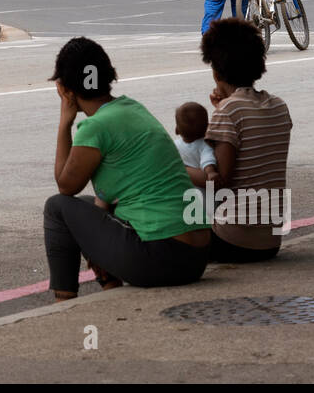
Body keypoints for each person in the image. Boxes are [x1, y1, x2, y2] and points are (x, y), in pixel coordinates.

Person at [43, 37, 210, 301]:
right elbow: (104, 203)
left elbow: (66, 185)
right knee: (90, 208)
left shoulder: (96, 127)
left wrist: (65, 123)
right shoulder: (133, 108)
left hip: (160, 258)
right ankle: (110, 287)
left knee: (57, 207)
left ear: (64, 88)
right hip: (197, 257)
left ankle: (64, 301)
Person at [200, 19, 292, 262]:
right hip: (270, 241)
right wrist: (223, 109)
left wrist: (174, 169)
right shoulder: (279, 106)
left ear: (216, 71)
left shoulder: (228, 112)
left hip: (233, 239)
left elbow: (219, 181)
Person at [173, 101, 218, 187]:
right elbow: (207, 160)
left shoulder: (174, 145)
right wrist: (211, 172)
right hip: (201, 188)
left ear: (176, 130)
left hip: (185, 186)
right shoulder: (205, 145)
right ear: (208, 127)